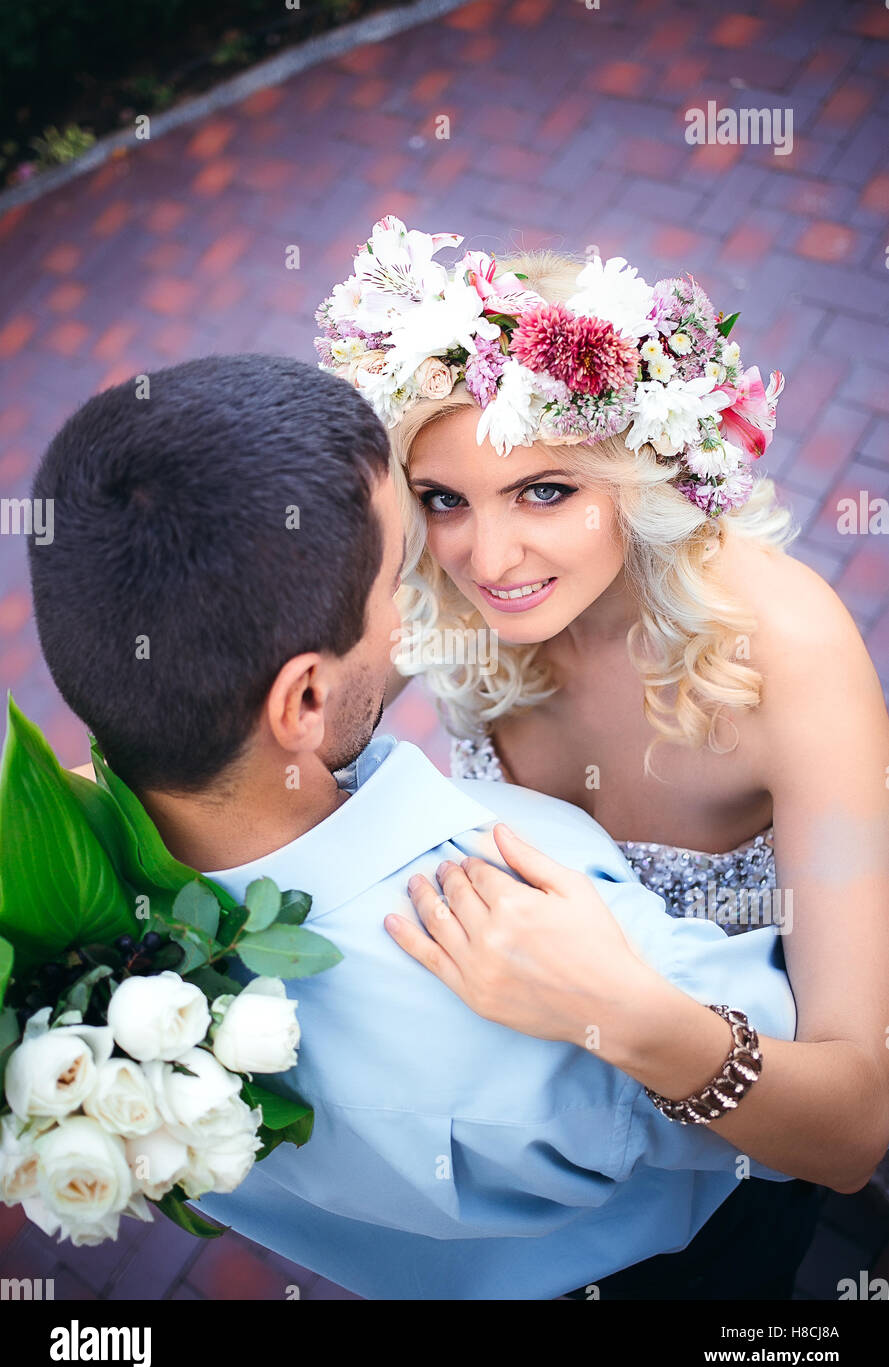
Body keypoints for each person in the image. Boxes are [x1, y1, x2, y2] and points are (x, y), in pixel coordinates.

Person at [33, 354, 801, 1301]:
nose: (462, 572)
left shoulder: (50, 949)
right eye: (400, 580)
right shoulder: (536, 916)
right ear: (304, 696)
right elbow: (816, 1104)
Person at [315, 215, 889, 1294]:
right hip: (533, 1139)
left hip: (729, 1164)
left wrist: (615, 1010)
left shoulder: (794, 655)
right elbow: (292, 726)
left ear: (641, 474)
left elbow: (852, 1124)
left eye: (545, 491)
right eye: (445, 500)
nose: (490, 559)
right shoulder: (448, 589)